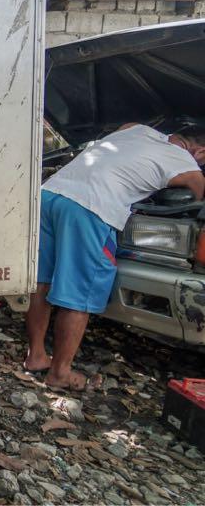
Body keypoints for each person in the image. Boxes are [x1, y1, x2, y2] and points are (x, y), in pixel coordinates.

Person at [24, 123, 205, 390]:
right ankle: (60, 373)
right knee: (81, 294)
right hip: (88, 207)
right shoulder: (183, 161)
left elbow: (124, 127)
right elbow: (199, 194)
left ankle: (36, 356)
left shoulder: (140, 130)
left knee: (42, 282)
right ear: (199, 151)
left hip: (50, 196)